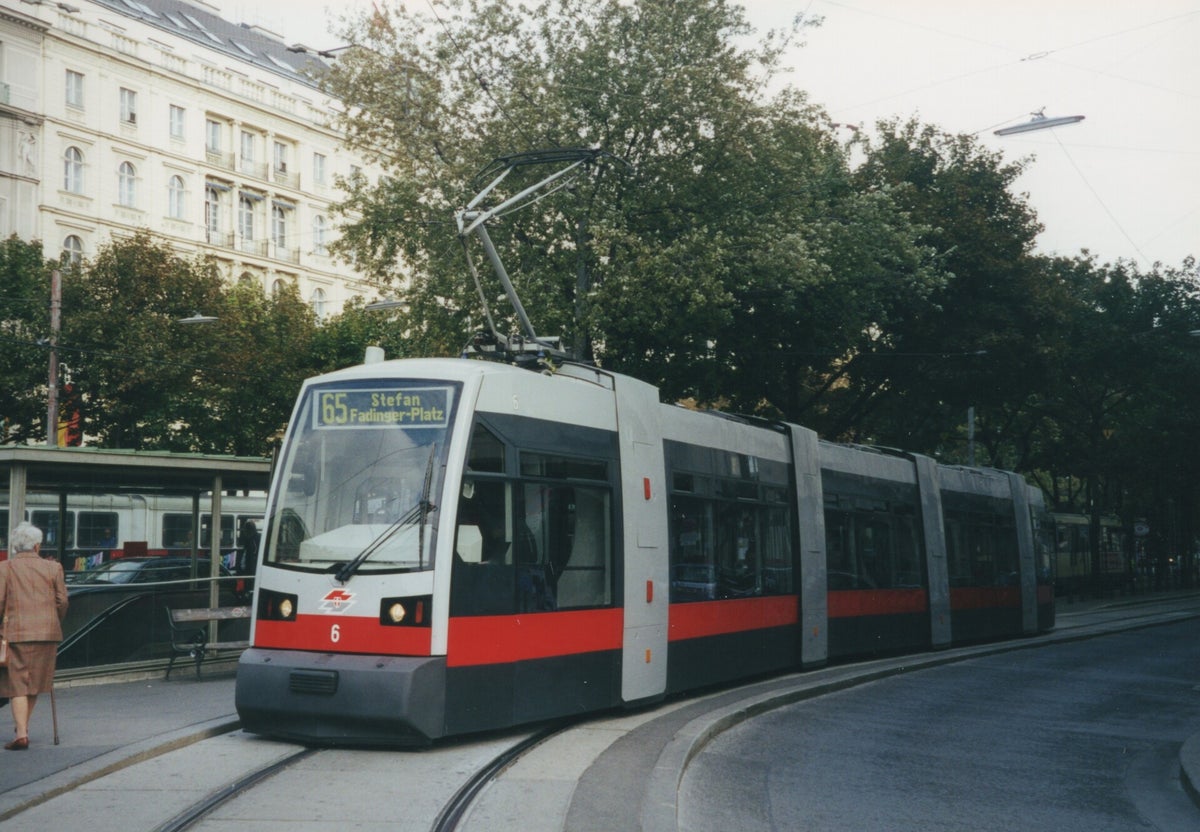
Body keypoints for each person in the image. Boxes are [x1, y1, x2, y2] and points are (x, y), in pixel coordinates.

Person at [0, 522, 69, 750]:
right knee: (37, 682)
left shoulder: (4, 568)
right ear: (37, 546)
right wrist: (52, 620)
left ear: (15, 547)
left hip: (16, 633)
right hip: (47, 634)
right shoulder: (53, 568)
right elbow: (62, 601)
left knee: (17, 683)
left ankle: (21, 732)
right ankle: (23, 729)